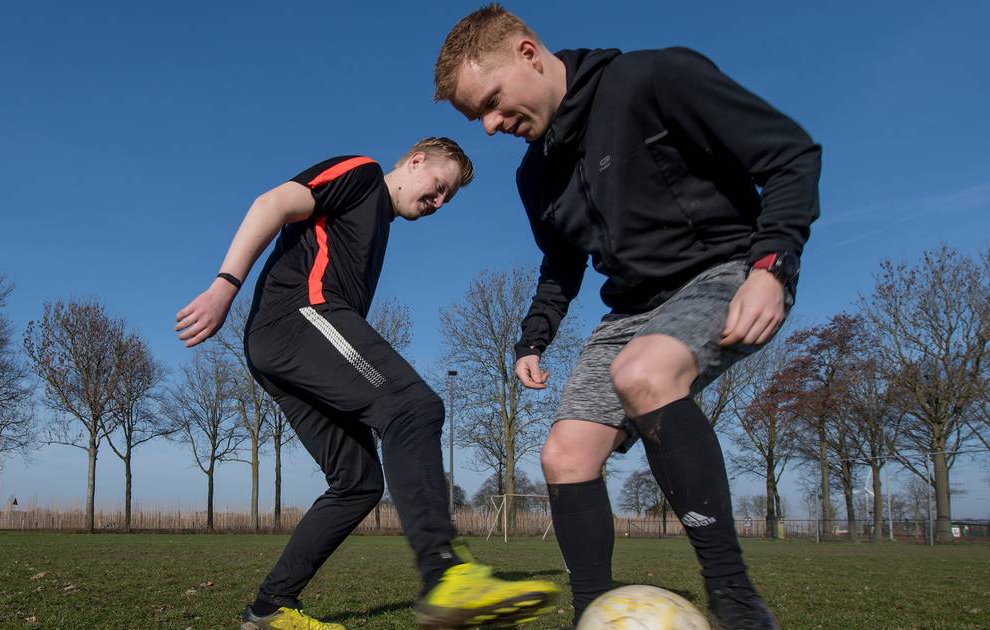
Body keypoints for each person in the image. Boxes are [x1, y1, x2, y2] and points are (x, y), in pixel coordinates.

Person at [433, 6, 821, 629]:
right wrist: (533, 338)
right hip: (630, 310)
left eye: (494, 103)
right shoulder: (536, 176)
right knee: (563, 453)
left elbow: (790, 156)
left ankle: (735, 599)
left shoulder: (653, 79)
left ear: (529, 54)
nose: (489, 125)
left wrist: (771, 266)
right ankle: (593, 614)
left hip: (723, 271)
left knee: (644, 372)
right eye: (476, 116)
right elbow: (561, 265)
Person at [175, 137, 559, 630]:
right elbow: (270, 204)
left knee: (358, 482)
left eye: (447, 200)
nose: (439, 203)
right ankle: (448, 573)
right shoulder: (362, 174)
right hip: (297, 317)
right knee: (412, 407)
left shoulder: (379, 223)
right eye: (439, 187)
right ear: (416, 161)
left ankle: (269, 608)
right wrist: (224, 286)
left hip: (282, 344)